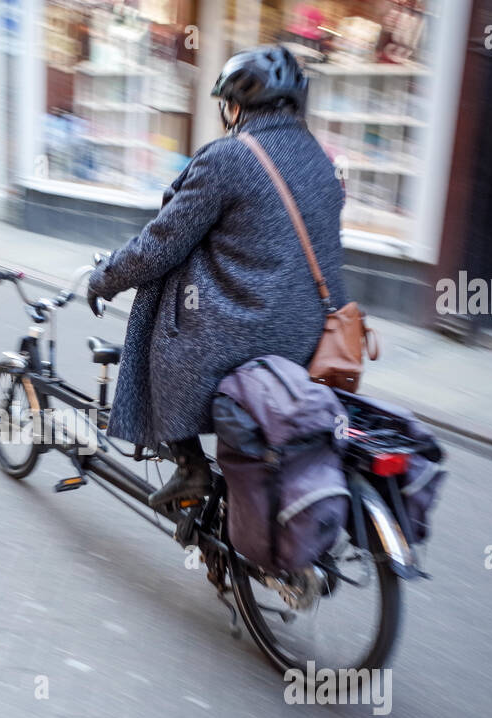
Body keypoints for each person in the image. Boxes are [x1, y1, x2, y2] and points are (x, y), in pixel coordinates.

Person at [86, 46, 347, 509]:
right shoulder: (321, 162)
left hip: (244, 335)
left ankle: (190, 466)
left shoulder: (228, 157)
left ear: (235, 106)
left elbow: (158, 245)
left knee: (160, 312)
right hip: (309, 334)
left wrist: (104, 278)